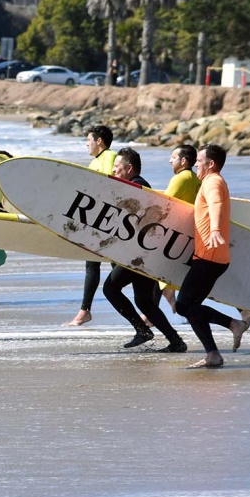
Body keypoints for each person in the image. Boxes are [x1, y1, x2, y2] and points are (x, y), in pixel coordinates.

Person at [101, 148, 187, 352]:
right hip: (144, 254)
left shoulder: (138, 186)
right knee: (144, 301)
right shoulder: (135, 186)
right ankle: (176, 341)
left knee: (110, 288)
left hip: (139, 255)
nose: (113, 172)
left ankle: (142, 330)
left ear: (129, 168)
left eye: (117, 168)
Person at [176, 144, 248, 368]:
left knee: (183, 306)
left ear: (211, 164)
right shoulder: (209, 182)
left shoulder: (213, 181)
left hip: (210, 256)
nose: (196, 164)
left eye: (199, 160)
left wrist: (215, 230)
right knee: (191, 306)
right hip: (209, 256)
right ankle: (213, 355)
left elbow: (216, 204)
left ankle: (233, 324)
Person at [66, 125, 116, 326]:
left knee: (122, 266)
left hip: (108, 223)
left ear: (99, 140)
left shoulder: (110, 156)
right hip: (94, 222)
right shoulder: (94, 161)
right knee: (91, 265)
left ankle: (156, 301)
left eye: (89, 139)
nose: (87, 143)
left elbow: (106, 186)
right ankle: (84, 310)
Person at [161, 144, 202, 313]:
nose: (170, 160)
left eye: (173, 157)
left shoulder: (181, 178)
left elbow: (163, 203)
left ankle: (156, 312)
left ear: (183, 161)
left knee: (156, 269)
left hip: (177, 236)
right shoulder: (195, 178)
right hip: (192, 234)